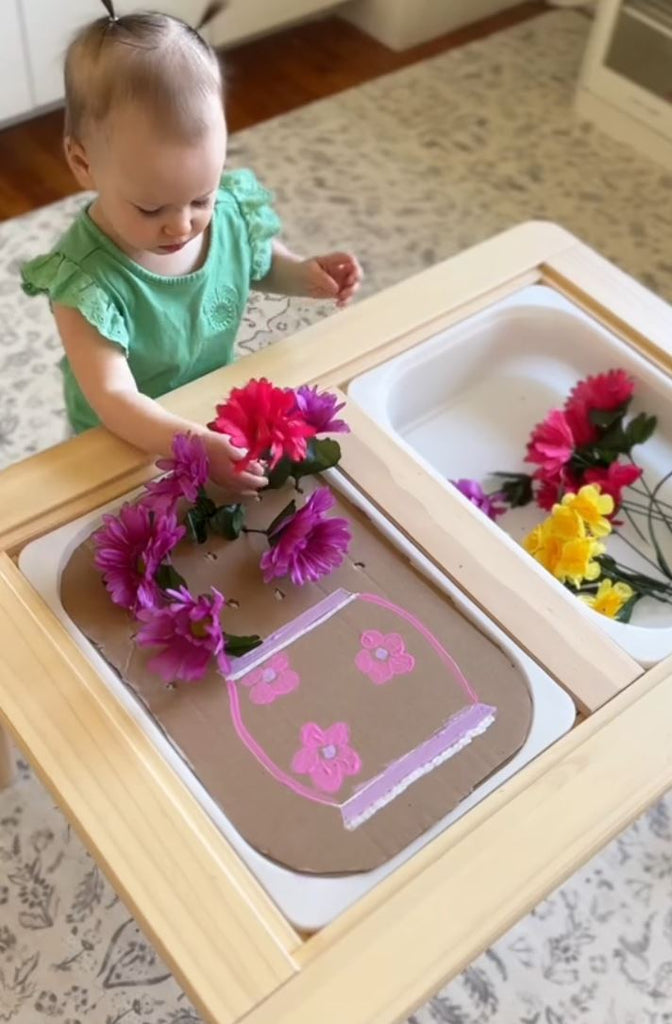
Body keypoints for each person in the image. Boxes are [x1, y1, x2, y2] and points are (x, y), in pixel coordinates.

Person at [21, 1, 362, 492]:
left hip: (208, 402)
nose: (181, 226)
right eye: (150, 208)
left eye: (200, 197)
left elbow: (259, 264)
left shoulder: (227, 212)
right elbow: (114, 396)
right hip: (121, 439)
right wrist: (191, 444)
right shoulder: (84, 282)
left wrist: (306, 275)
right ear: (83, 162)